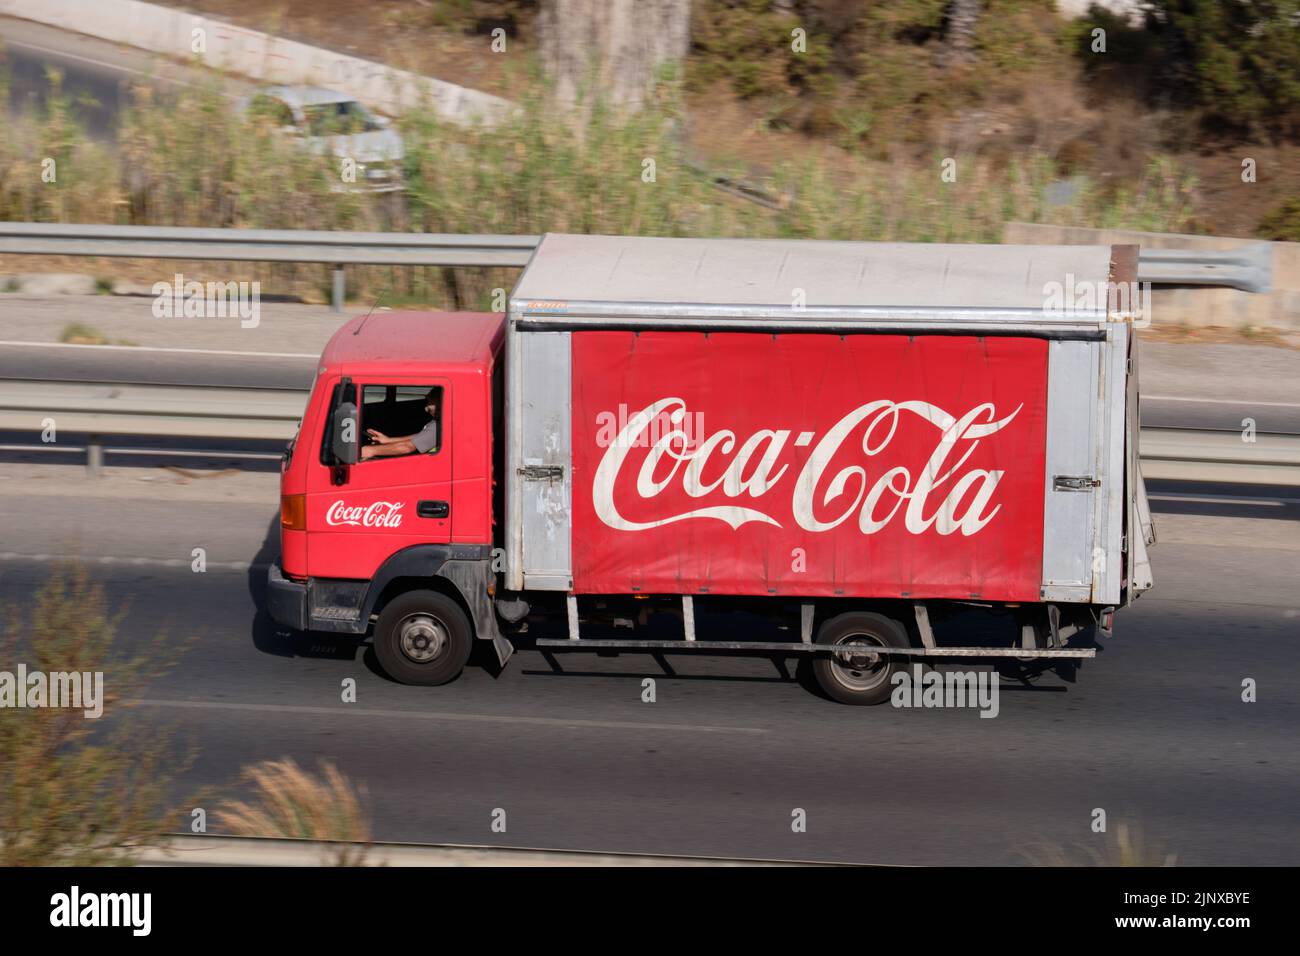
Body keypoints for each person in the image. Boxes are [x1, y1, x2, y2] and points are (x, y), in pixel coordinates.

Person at [360, 388, 439, 459]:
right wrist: (388, 440)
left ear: (440, 404)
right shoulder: (437, 422)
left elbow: (407, 447)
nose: (426, 408)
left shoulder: (438, 426)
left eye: (429, 402)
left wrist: (370, 450)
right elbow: (420, 437)